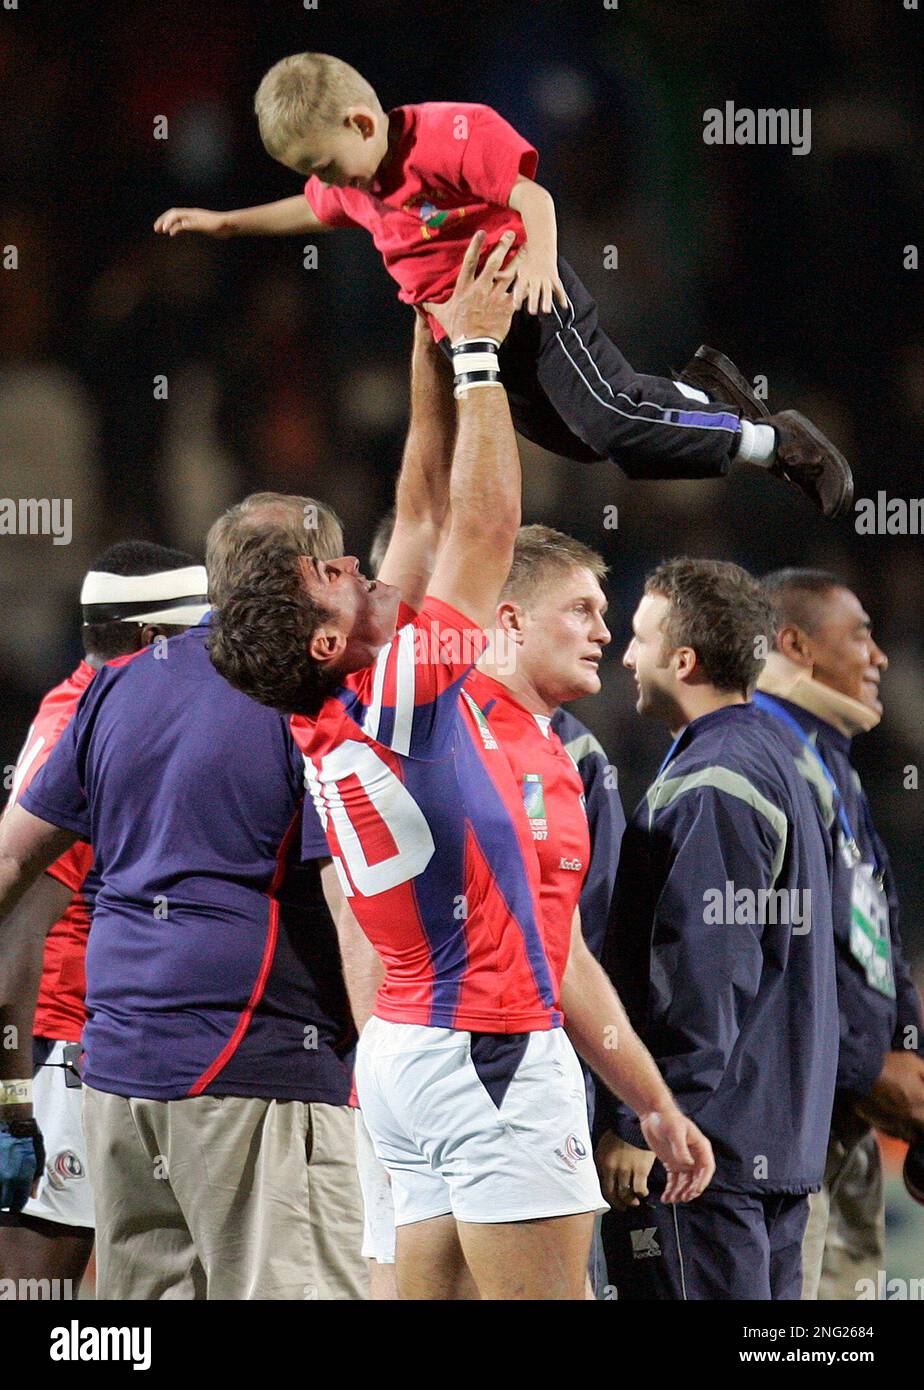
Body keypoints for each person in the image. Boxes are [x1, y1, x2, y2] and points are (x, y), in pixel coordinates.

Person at [208, 231, 714, 1301]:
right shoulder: (393, 693)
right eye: (330, 575)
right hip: (487, 1047)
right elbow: (480, 526)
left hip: (404, 1053)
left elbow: (427, 503)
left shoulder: (339, 705)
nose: (353, 561)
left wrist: (429, 326)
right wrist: (483, 356)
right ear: (320, 638)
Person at [155, 50, 852, 519]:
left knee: (609, 419)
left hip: (531, 303)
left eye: (330, 164)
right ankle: (707, 394)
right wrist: (225, 224)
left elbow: (533, 199)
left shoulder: (447, 134)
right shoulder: (356, 182)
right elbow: (312, 206)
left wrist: (541, 265)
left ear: (362, 123)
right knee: (589, 440)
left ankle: (775, 442)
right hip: (475, 344)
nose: (331, 182)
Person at [0, 493, 369, 1301]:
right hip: (258, 1063)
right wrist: (384, 1071)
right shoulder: (308, 696)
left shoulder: (109, 691)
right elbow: (352, 904)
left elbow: (11, 868)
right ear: (312, 576)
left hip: (120, 1073)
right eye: (345, 568)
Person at [361, 517, 625, 1295]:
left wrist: (650, 1106)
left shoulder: (547, 745)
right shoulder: (435, 725)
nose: (604, 632)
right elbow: (358, 918)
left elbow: (564, 945)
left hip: (416, 1048)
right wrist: (476, 387)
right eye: (582, 610)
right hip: (482, 1041)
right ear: (504, 617)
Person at [596, 557, 839, 1301]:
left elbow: (705, 970)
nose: (626, 655)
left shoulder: (714, 781)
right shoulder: (778, 761)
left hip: (708, 1155)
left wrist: (649, 1121)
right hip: (767, 1141)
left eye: (639, 638)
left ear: (684, 659)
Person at [0, 542, 205, 1296]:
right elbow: (17, 928)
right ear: (154, 642)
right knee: (35, 1293)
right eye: (199, 633)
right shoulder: (89, 731)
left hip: (90, 1045)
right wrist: (14, 1106)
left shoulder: (90, 707)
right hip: (55, 1051)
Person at [757, 569, 924, 1300]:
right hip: (792, 1126)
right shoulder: (766, 760)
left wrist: (908, 1046)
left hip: (842, 1121)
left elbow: (873, 938)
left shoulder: (835, 769)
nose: (879, 656)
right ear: (795, 644)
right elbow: (782, 957)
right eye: (859, 634)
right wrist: (867, 1067)